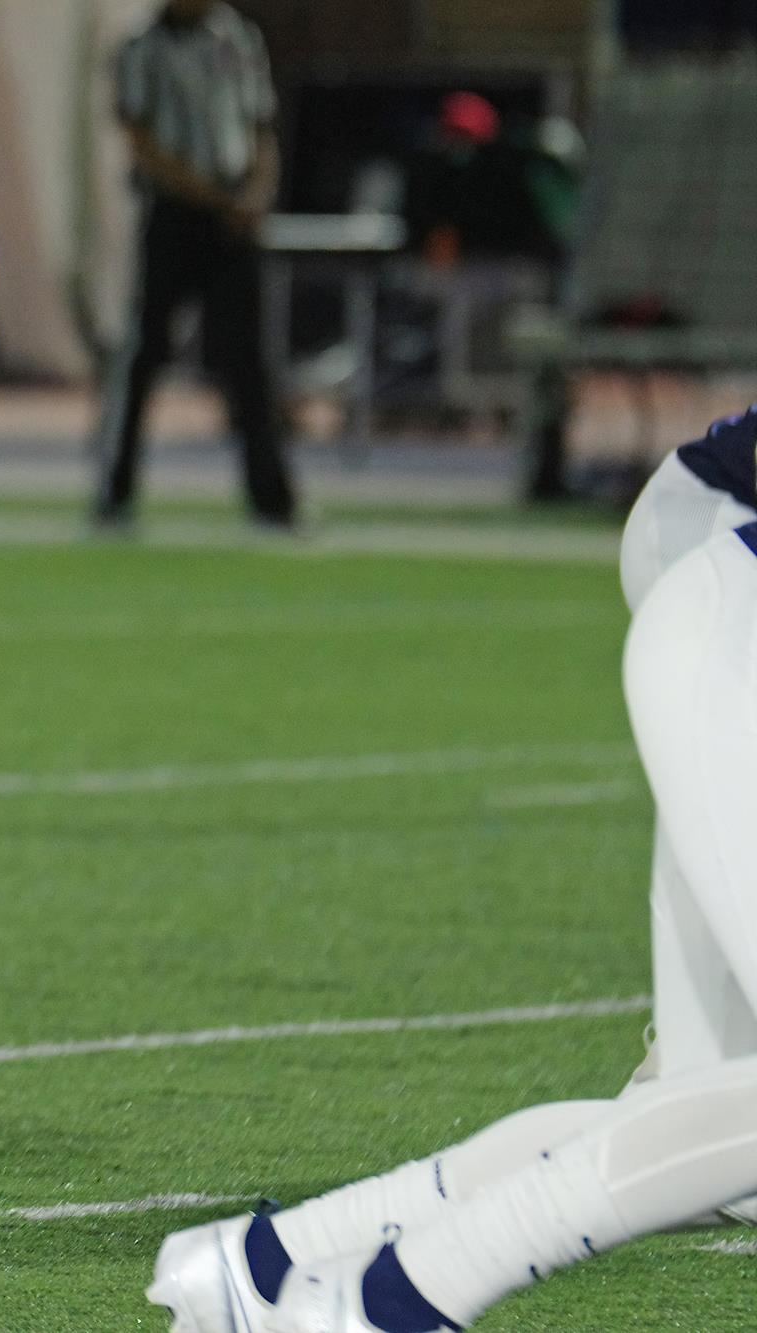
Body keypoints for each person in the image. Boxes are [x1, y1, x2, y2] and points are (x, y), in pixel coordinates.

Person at [146, 411, 757, 1331]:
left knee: (715, 1126)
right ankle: (390, 1303)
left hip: (714, 588)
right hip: (729, 606)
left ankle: (269, 1265)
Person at [92, 0, 296, 530]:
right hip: (176, 217)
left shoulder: (238, 37)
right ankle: (115, 489)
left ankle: (272, 498)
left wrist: (255, 194)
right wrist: (208, 195)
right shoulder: (141, 49)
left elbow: (261, 125)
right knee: (145, 354)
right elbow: (140, 140)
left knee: (249, 361)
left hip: (235, 216)